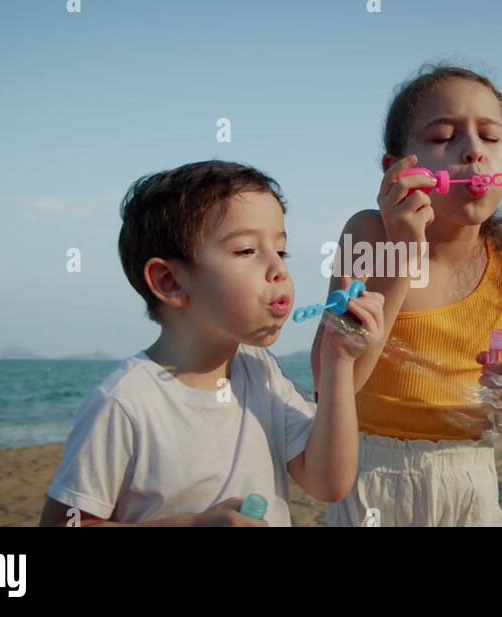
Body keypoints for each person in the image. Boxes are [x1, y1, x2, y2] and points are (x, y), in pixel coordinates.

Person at [39, 160, 385, 527]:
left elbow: (328, 483)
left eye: (280, 251)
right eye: (246, 251)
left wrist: (338, 362)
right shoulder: (125, 403)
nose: (279, 269)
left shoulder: (260, 371)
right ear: (170, 281)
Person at [312, 65, 502, 526]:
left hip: (469, 483)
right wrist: (403, 255)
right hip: (370, 478)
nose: (473, 152)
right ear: (395, 170)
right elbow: (332, 383)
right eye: (444, 136)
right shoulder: (369, 234)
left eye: (490, 137)